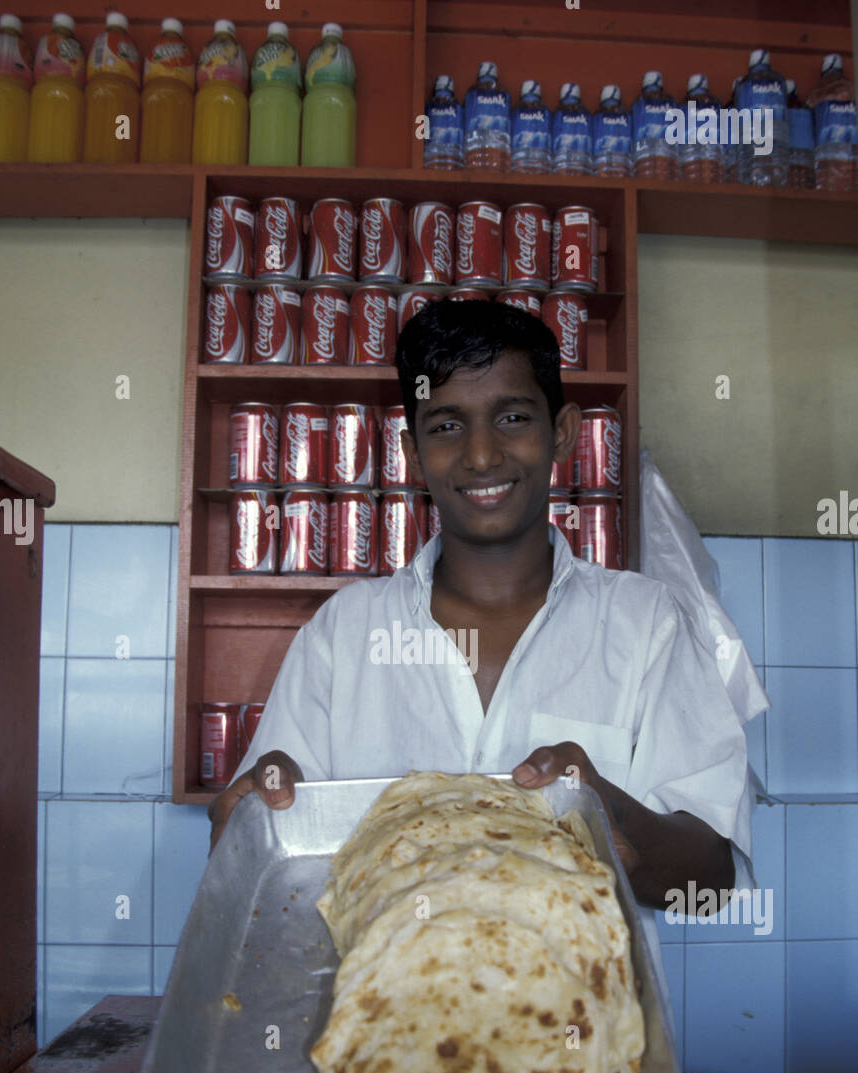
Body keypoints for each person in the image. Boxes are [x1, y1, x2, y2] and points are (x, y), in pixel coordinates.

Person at [208, 301, 753, 991]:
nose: (481, 454)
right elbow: (256, 860)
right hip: (378, 1040)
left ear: (561, 433)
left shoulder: (648, 624)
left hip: (582, 1044)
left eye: (512, 417)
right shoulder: (344, 633)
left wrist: (601, 806)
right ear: (410, 450)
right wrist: (248, 818)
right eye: (444, 425)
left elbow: (709, 885)